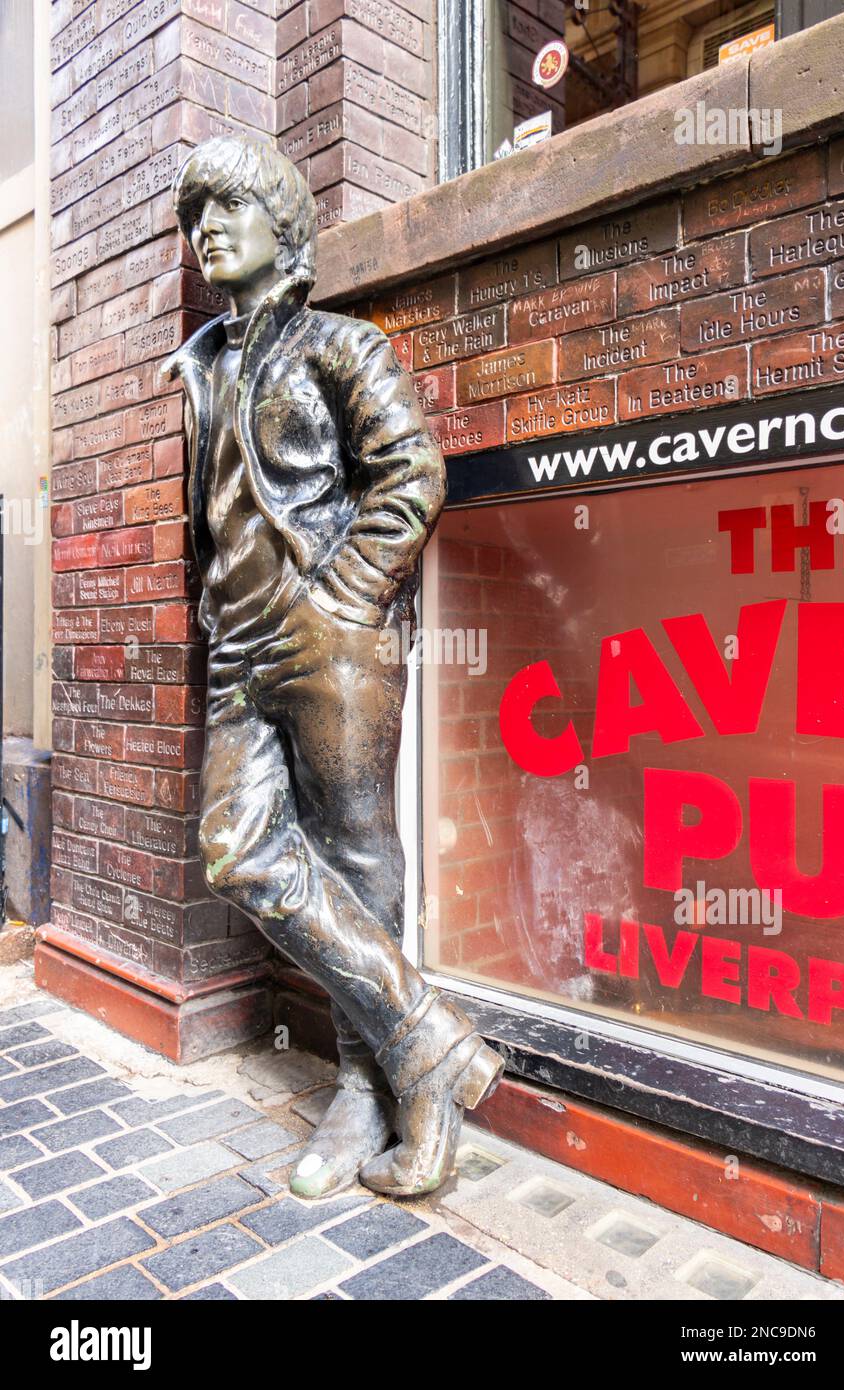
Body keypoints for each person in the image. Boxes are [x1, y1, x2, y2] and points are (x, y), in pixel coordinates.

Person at [162, 135, 503, 1198]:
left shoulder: (340, 348)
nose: (204, 229)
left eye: (225, 206)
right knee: (236, 846)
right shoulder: (201, 364)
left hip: (328, 635)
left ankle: (366, 1090)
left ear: (282, 224)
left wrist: (342, 600)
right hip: (238, 648)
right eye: (192, 217)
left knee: (357, 854)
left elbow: (410, 472)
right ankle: (427, 1037)